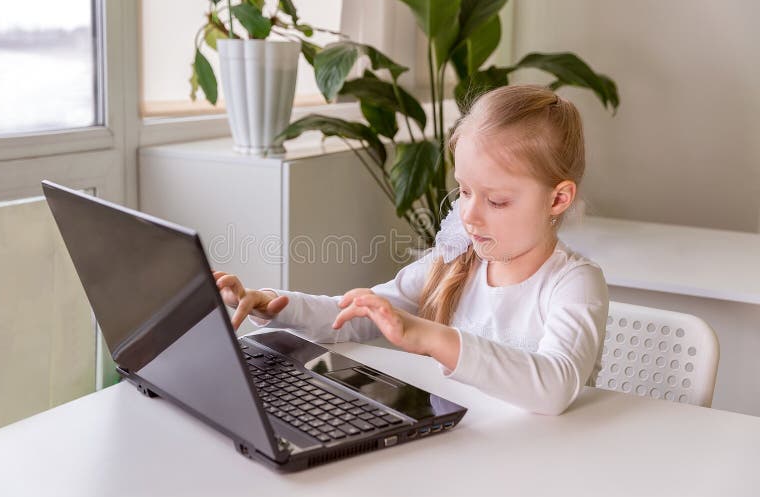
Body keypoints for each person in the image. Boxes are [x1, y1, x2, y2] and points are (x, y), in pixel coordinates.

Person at [213, 85, 609, 416]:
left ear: (558, 199)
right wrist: (270, 302)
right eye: (465, 191)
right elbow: (352, 315)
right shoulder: (454, 262)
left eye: (497, 201)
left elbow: (555, 385)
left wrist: (431, 337)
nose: (469, 215)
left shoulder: (574, 283)